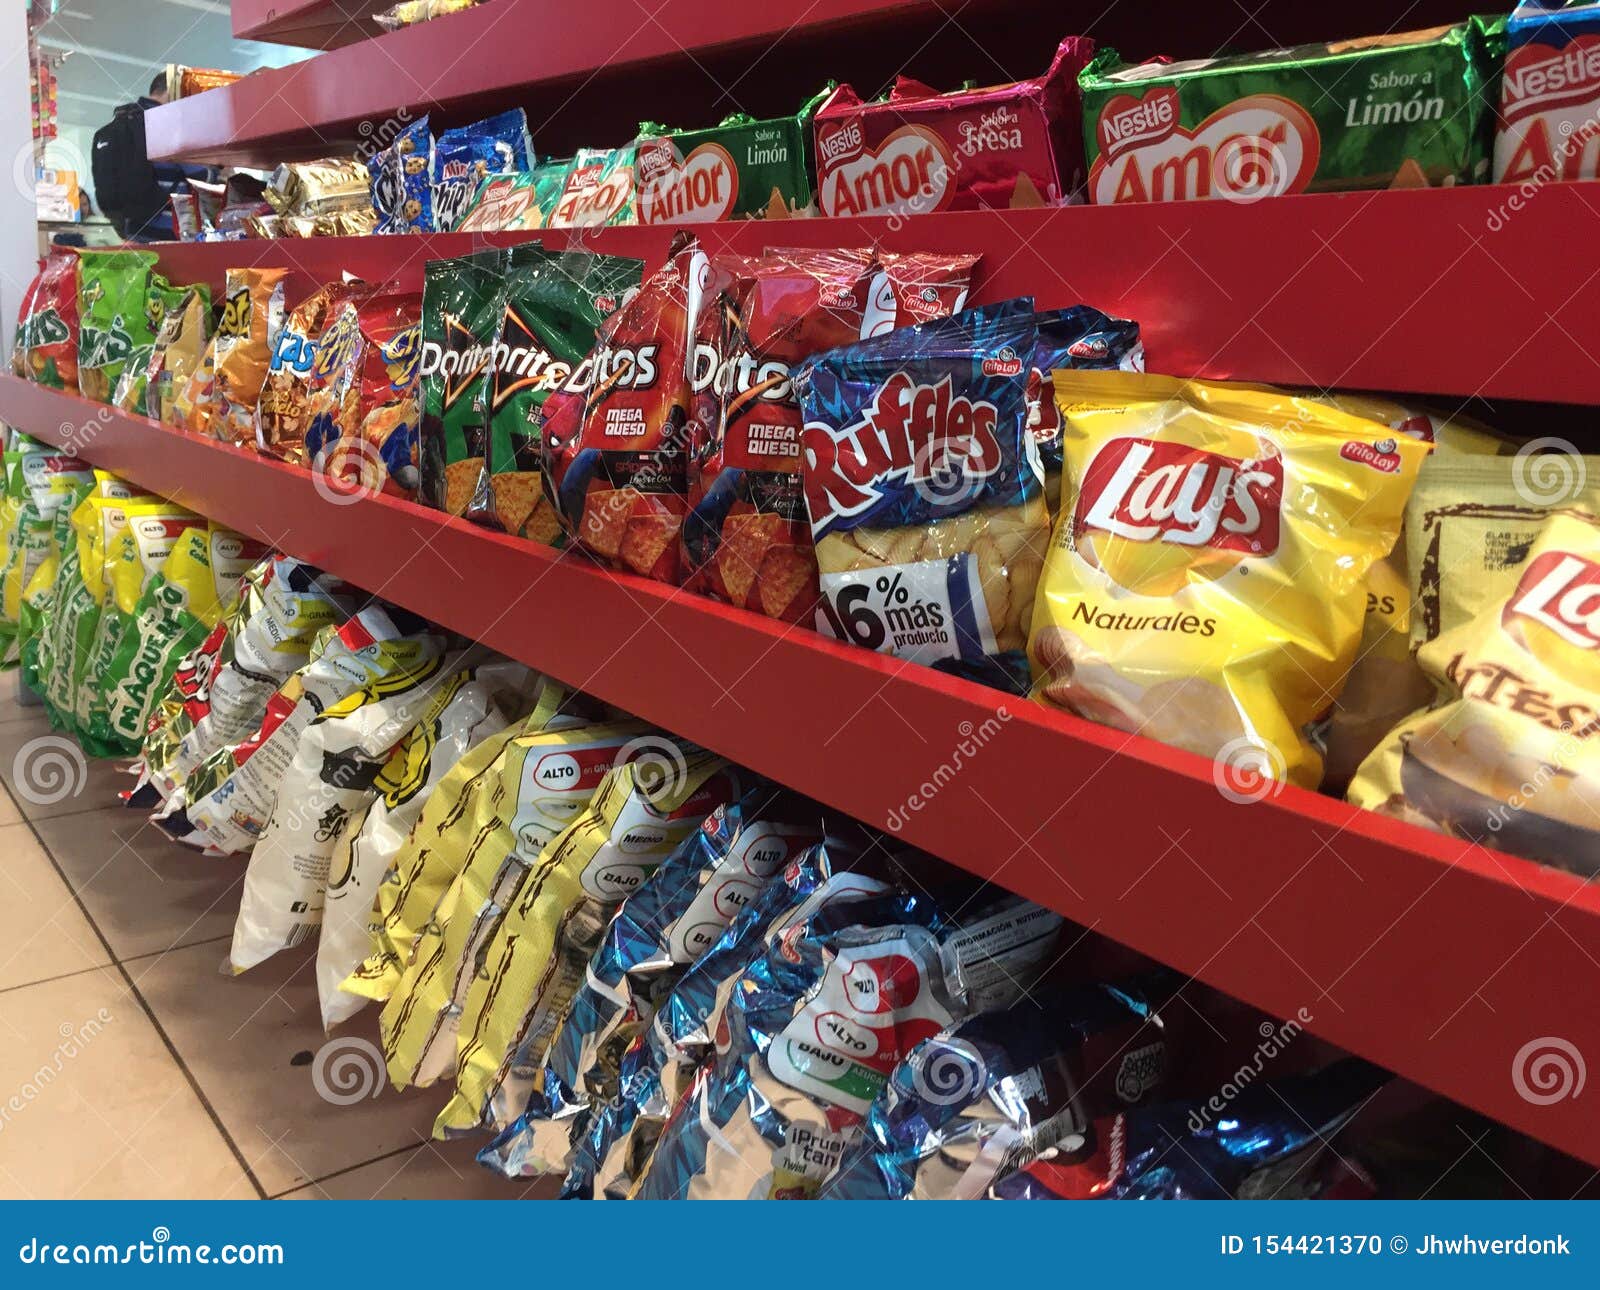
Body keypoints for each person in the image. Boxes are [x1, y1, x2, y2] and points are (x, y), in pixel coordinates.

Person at [91, 72, 216, 242]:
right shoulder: (170, 122)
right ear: (172, 92)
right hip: (168, 232)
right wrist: (218, 169)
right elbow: (200, 175)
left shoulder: (126, 120)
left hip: (134, 229)